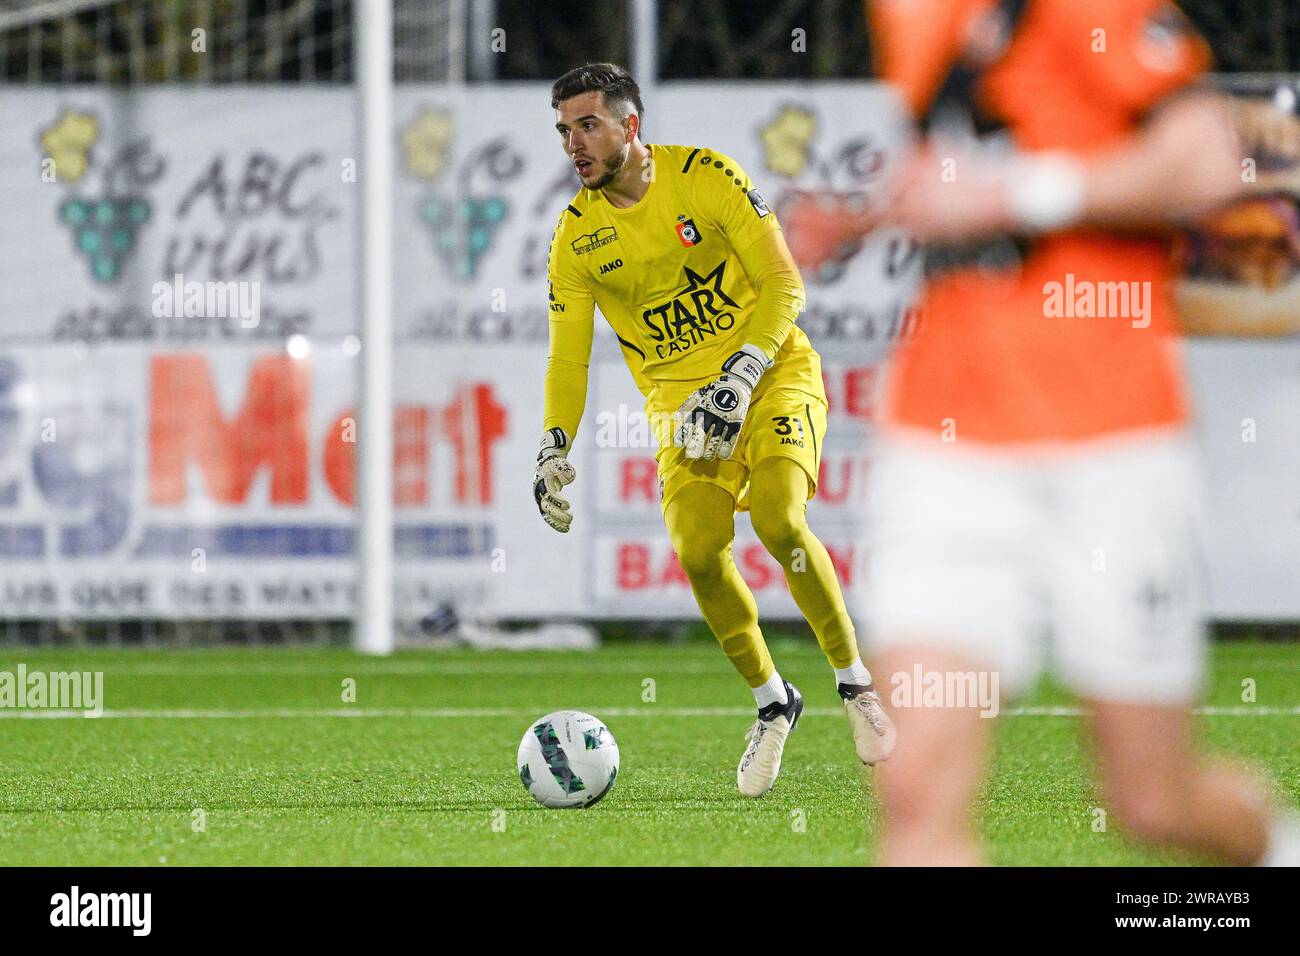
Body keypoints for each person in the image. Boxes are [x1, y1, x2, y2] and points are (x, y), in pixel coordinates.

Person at [861, 0, 1300, 864]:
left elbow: (1208, 157)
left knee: (1153, 801)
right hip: (943, 440)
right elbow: (966, 197)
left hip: (1110, 441)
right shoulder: (905, 14)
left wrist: (1012, 194)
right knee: (915, 797)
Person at [533, 62, 896, 798]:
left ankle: (855, 685)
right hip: (680, 411)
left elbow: (784, 284)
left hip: (769, 377)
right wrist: (552, 446)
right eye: (566, 130)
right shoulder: (576, 239)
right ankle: (773, 702)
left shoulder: (707, 179)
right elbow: (567, 359)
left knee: (779, 518)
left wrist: (738, 374)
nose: (575, 143)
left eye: (589, 125)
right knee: (699, 551)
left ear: (630, 125)